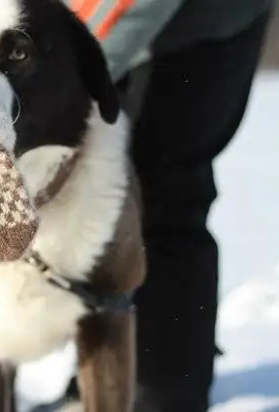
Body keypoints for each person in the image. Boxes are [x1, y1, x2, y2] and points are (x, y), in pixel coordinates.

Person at [46, 0, 274, 411]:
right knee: (128, 203)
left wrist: (71, 71)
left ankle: (161, 391)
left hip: (180, 32)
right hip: (173, 26)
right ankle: (115, 381)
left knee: (160, 200)